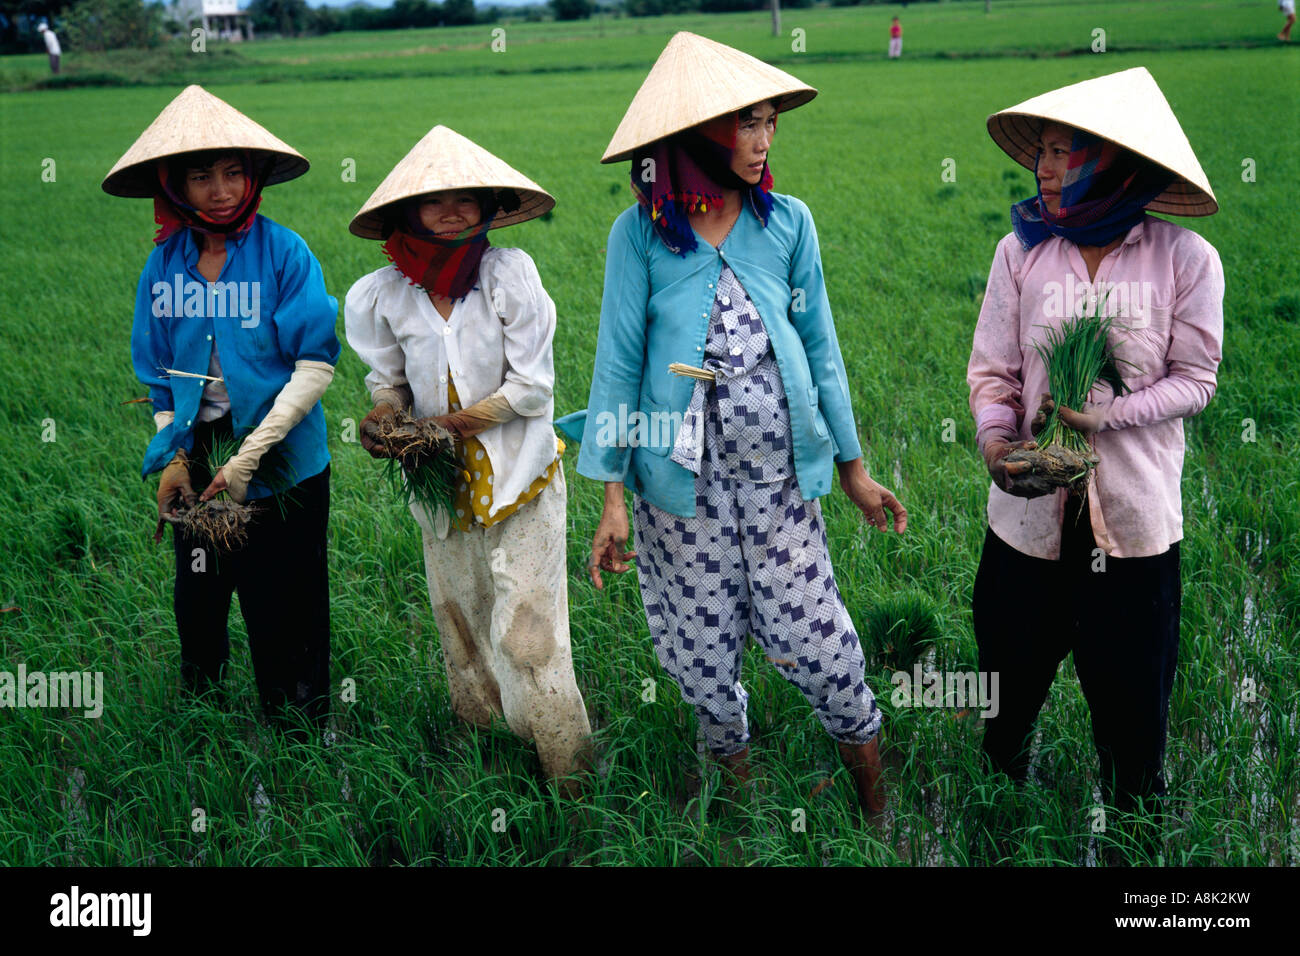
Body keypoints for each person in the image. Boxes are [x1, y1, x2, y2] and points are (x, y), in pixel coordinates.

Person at [564, 32, 906, 817]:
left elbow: (823, 350)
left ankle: (878, 809)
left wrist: (852, 470)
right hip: (678, 503)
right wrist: (611, 498)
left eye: (770, 122)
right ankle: (745, 821)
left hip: (780, 489)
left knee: (822, 647)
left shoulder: (786, 223)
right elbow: (617, 363)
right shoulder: (640, 235)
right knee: (706, 663)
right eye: (746, 123)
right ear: (698, 135)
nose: (763, 141)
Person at [968, 67, 1223, 851]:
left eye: (1062, 153)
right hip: (1028, 523)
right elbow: (994, 374)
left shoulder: (1185, 259)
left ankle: (1135, 851)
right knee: (1004, 701)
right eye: (1040, 152)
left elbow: (1197, 380)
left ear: (1113, 162)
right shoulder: (1021, 254)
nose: (1042, 169)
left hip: (1133, 527)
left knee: (1132, 721)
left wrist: (1108, 415)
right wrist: (998, 444)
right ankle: (1000, 826)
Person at [344, 126, 592, 790]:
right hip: (441, 494)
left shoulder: (507, 274)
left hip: (522, 482)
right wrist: (385, 419)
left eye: (466, 199)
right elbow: (388, 384)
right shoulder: (382, 294)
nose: (454, 211)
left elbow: (532, 390)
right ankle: (492, 778)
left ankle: (571, 778)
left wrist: (446, 427)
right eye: (435, 200)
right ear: (406, 214)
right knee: (463, 631)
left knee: (529, 637)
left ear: (487, 207)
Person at [104, 85, 340, 734]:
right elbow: (157, 376)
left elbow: (316, 364)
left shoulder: (284, 252)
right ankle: (203, 724)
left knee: (284, 600)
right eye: (201, 176)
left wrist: (252, 456)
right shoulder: (164, 267)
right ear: (175, 185)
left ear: (253, 176)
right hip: (200, 445)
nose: (221, 190)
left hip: (284, 450)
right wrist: (176, 457)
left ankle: (299, 732)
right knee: (200, 594)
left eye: (233, 172)